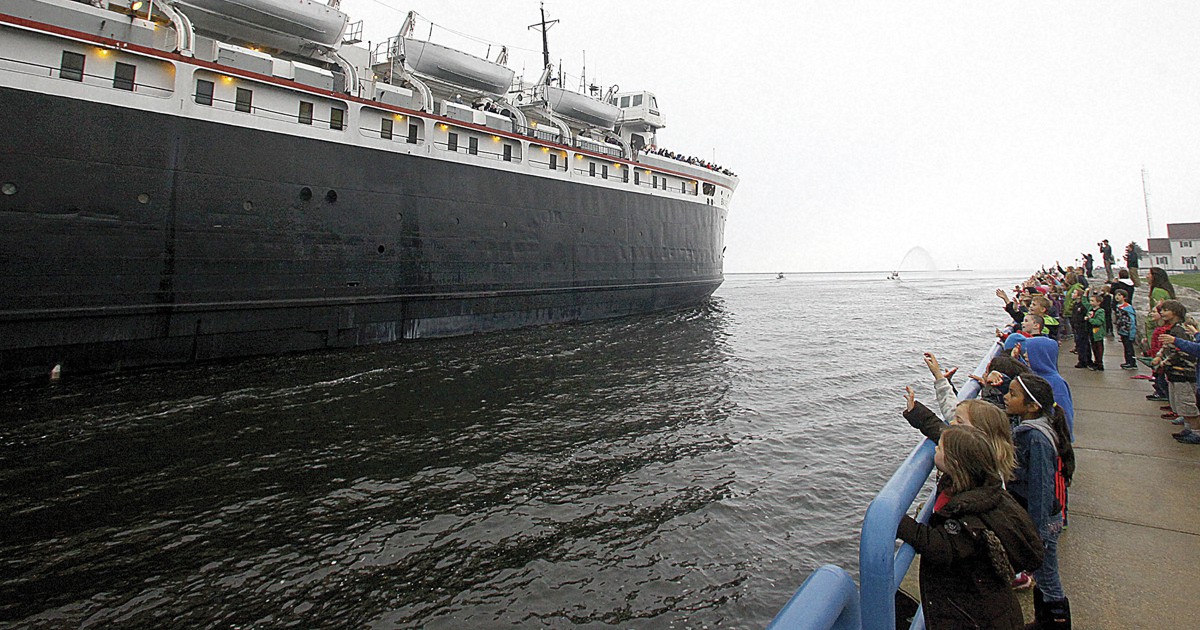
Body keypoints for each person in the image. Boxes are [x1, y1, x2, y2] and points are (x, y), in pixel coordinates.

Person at [895, 424, 1043, 630]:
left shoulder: (969, 518)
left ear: (954, 463)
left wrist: (898, 520)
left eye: (940, 447)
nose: (935, 448)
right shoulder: (985, 489)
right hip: (989, 606)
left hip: (975, 617)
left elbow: (938, 546)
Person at [1005, 374, 1074, 628]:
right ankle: (1044, 619)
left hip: (1042, 520)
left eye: (1012, 394)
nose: (1005, 397)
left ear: (1032, 406)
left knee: (1047, 575)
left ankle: (1056, 621)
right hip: (1040, 516)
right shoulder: (1036, 426)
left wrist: (1037, 531)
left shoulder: (1035, 438)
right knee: (1043, 574)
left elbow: (1041, 488)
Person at [1158, 301, 1200, 443]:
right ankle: (1188, 429)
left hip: (1184, 373)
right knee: (1180, 404)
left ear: (1175, 312)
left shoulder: (1179, 331)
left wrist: (1164, 362)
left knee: (1187, 404)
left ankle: (1196, 432)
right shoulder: (1173, 329)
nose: (1162, 313)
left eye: (1165, 310)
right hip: (1175, 373)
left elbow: (1187, 351)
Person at [1020, 336, 1076, 441]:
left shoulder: (1056, 384)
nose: (1025, 355)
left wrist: (1064, 439)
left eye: (1028, 352)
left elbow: (1065, 415)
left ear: (1039, 356)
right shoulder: (1037, 375)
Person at [1114, 290, 1137, 369]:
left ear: (1124, 297)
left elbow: (1132, 320)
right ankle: (1128, 361)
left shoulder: (1128, 308)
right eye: (1116, 295)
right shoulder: (1118, 306)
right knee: (1126, 347)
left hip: (1128, 331)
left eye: (1119, 295)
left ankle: (1132, 363)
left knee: (1129, 347)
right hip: (1122, 331)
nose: (1117, 297)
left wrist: (1132, 332)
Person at [1086, 293, 1107, 371]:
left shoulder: (1100, 311)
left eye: (1092, 301)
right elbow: (1085, 302)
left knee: (1099, 348)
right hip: (1091, 331)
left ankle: (1099, 363)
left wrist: (1089, 319)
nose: (1091, 302)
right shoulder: (1090, 309)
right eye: (1090, 301)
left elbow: (1099, 322)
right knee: (1094, 347)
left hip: (1097, 332)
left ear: (1098, 302)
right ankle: (1096, 361)